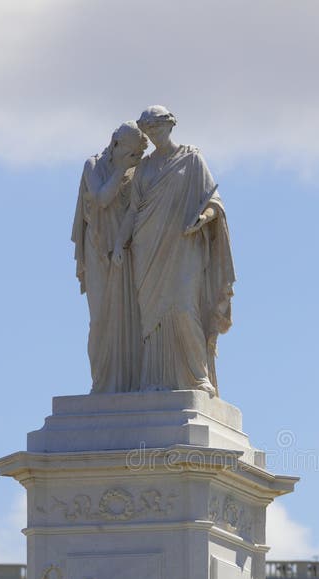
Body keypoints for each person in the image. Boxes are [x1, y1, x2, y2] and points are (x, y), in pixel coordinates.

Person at [113, 105, 235, 396]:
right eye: (149, 130)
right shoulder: (143, 168)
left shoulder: (191, 159)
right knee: (151, 318)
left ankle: (197, 376)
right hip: (148, 247)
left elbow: (214, 201)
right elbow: (132, 211)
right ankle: (154, 380)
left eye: (158, 127)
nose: (154, 134)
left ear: (170, 126)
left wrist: (202, 219)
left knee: (183, 307)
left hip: (184, 243)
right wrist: (120, 242)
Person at [71, 122, 148, 392]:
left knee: (130, 319)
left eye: (139, 154)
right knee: (101, 318)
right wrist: (121, 169)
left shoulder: (136, 172)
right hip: (98, 250)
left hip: (124, 250)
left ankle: (129, 381)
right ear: (116, 144)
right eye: (132, 152)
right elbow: (102, 198)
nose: (136, 158)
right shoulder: (93, 165)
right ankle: (101, 382)